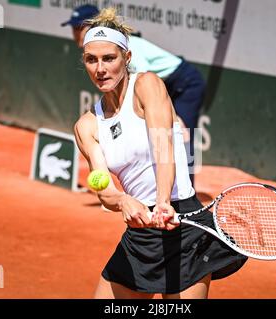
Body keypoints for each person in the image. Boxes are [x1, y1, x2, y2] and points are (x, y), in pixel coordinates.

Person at [72, 7, 247, 299]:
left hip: (182, 223)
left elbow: (162, 147)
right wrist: (123, 200)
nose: (100, 69)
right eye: (92, 60)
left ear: (126, 58)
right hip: (142, 235)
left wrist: (163, 201)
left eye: (109, 58)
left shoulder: (147, 86)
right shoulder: (87, 126)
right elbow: (101, 185)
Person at [62, 4, 206, 186]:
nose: (75, 33)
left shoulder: (123, 49)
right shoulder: (105, 49)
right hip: (164, 82)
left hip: (185, 83)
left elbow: (143, 83)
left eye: (78, 28)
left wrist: (174, 118)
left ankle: (188, 189)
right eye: (73, 28)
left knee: (183, 133)